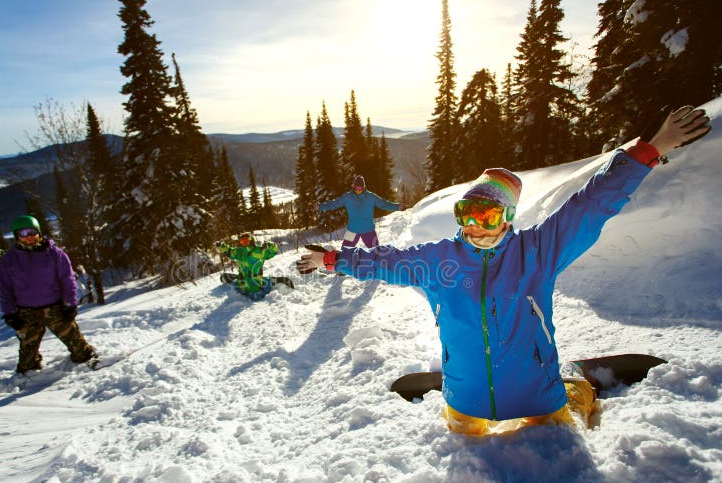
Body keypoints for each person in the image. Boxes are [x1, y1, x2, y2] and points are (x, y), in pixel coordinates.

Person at [297, 106, 711, 435]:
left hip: (538, 397)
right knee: (465, 442)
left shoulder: (537, 252)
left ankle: (577, 386)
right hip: (465, 399)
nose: (475, 225)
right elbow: (383, 262)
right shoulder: (439, 261)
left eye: (488, 215)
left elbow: (590, 204)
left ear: (508, 218)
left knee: (564, 430)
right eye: (467, 213)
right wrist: (331, 259)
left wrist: (650, 150)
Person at [0, 215, 97, 373]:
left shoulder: (55, 254)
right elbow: (5, 288)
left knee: (77, 344)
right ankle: (29, 372)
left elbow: (67, 280)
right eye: (23, 234)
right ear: (17, 236)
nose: (28, 237)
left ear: (38, 232)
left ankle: (87, 359)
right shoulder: (8, 261)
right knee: (27, 358)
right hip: (26, 312)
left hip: (54, 307)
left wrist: (70, 304)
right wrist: (9, 313)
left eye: (32, 232)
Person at [317, 175, 405, 248]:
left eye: (360, 187)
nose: (359, 189)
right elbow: (334, 204)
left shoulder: (370, 197)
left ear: (364, 187)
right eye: (357, 187)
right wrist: (320, 207)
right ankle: (343, 268)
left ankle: (377, 268)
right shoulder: (347, 197)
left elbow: (384, 204)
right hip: (352, 230)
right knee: (345, 251)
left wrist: (397, 207)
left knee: (376, 252)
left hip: (368, 230)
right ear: (353, 186)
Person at [216, 233, 282, 301]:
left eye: (246, 240)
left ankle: (274, 281)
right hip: (242, 285)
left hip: (256, 286)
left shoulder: (259, 251)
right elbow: (230, 251)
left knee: (257, 291)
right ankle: (227, 277)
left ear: (251, 240)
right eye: (242, 241)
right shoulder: (240, 252)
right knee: (233, 281)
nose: (244, 243)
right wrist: (221, 246)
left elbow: (274, 251)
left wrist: (270, 245)